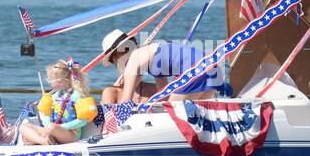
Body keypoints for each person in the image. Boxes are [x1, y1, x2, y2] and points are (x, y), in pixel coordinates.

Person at [97, 29, 230, 105]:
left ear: (117, 56)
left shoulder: (134, 59)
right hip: (213, 70)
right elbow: (164, 95)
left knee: (172, 111)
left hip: (195, 72)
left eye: (113, 62)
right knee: (199, 112)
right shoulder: (151, 52)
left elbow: (125, 103)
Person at [19, 60, 99, 145]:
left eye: (50, 80)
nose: (49, 83)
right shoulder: (53, 96)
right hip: (52, 130)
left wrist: (58, 127)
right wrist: (48, 127)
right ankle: (43, 141)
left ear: (60, 82)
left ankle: (37, 139)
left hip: (70, 135)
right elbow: (46, 117)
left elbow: (82, 121)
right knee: (23, 126)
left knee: (52, 128)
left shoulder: (77, 96)